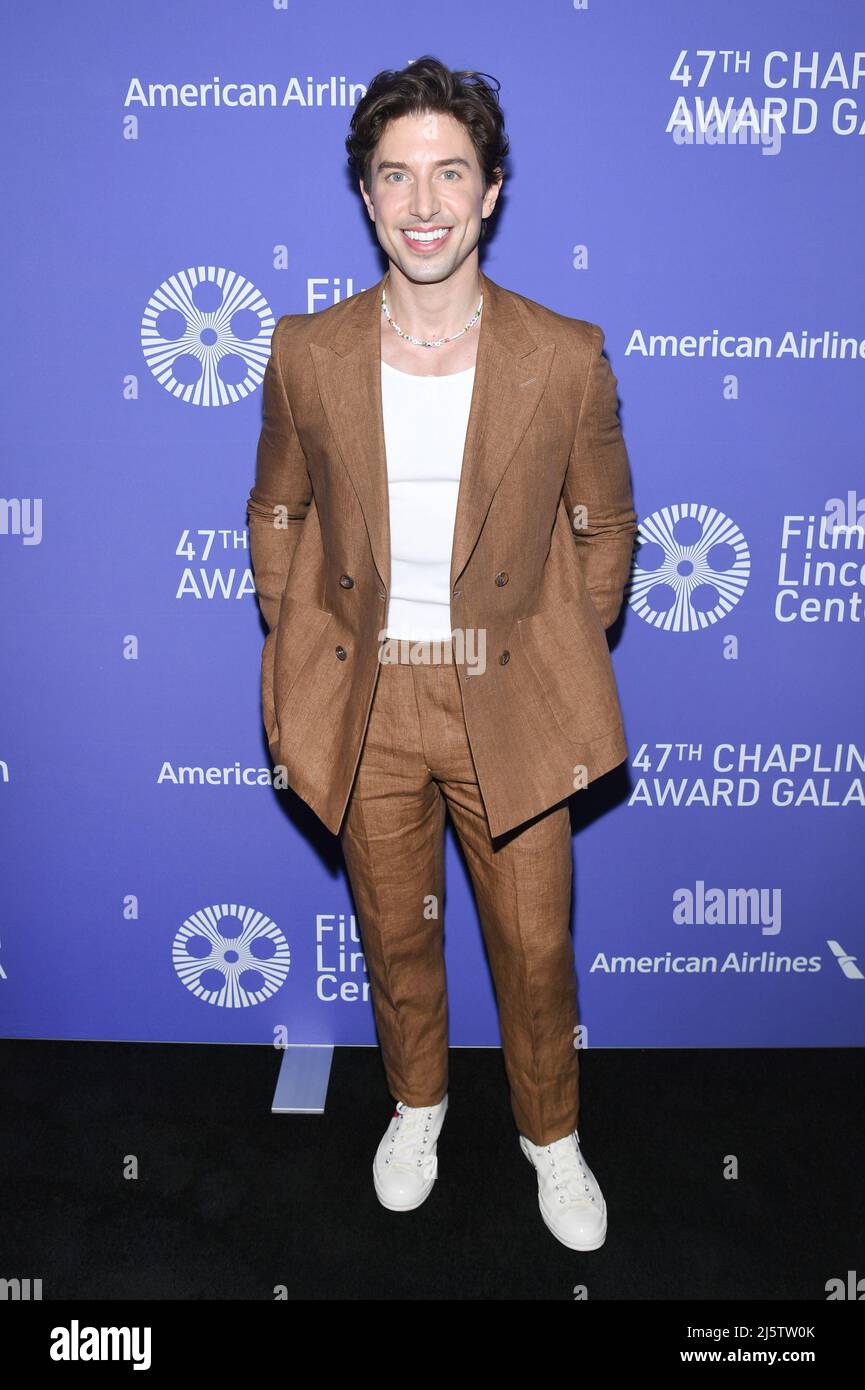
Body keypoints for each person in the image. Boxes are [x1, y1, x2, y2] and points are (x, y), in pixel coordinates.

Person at [247, 55, 637, 1251]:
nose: (424, 203)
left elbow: (604, 523)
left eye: (449, 174)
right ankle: (417, 1105)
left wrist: (552, 642)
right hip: (369, 698)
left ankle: (550, 1135)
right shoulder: (306, 351)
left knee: (533, 942)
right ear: (367, 197)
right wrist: (298, 635)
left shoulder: (563, 353)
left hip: (508, 695)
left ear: (492, 191)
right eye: (396, 176)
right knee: (394, 928)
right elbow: (276, 508)